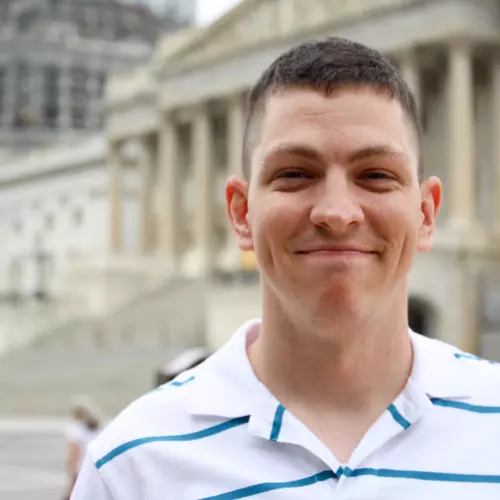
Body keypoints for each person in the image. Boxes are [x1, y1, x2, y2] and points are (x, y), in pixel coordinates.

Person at [70, 37, 500, 499]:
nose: (337, 212)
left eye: (376, 175)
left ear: (426, 214)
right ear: (240, 214)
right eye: (295, 174)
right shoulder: (131, 466)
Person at [64, 397, 103, 500]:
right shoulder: (98, 428)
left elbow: (74, 454)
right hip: (96, 470)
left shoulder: (76, 428)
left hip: (81, 471)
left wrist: (71, 476)